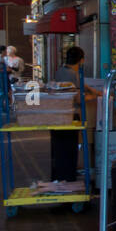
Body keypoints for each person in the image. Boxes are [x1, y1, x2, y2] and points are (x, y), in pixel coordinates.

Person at [50, 46, 99, 183]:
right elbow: (77, 98)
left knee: (58, 152)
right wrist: (96, 97)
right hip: (70, 116)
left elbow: (80, 86)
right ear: (81, 60)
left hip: (56, 115)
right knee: (68, 152)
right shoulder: (74, 74)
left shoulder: (60, 71)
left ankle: (58, 180)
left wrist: (93, 91)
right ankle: (67, 181)